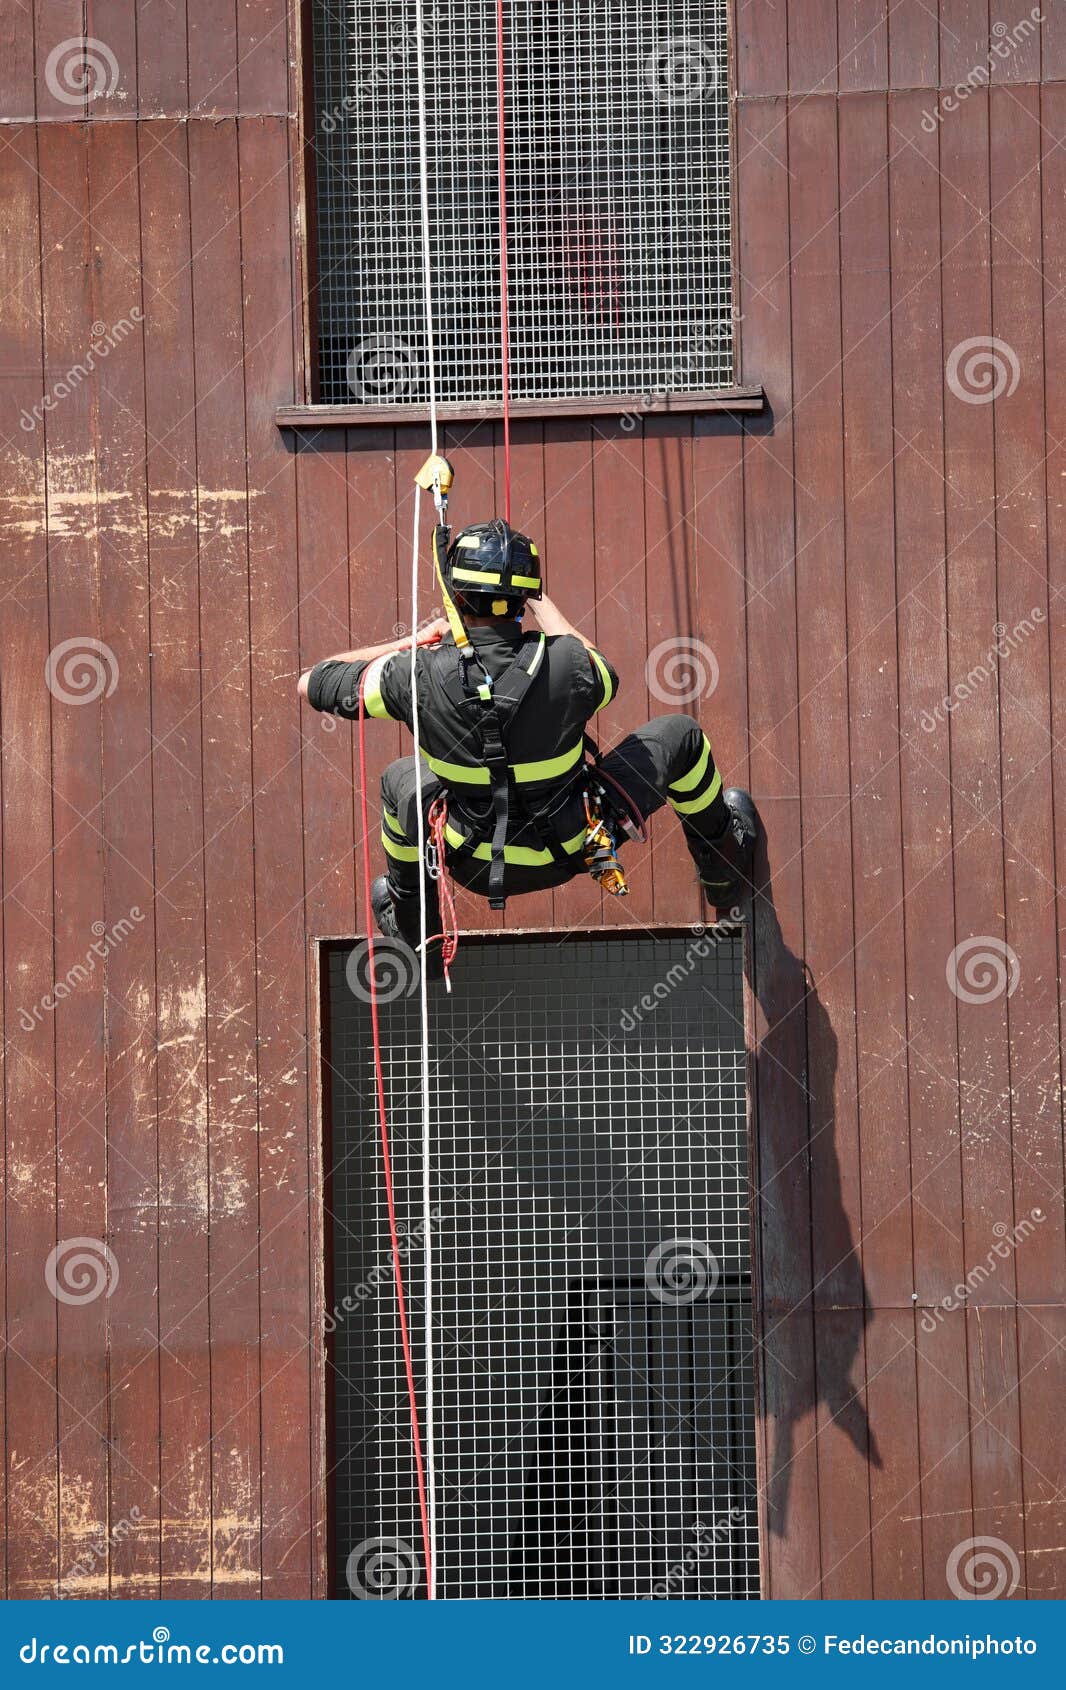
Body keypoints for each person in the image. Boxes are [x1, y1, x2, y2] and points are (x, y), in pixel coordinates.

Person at [298, 515, 757, 970]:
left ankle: (413, 917)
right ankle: (721, 866)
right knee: (683, 739)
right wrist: (539, 600)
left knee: (398, 779)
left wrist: (413, 644)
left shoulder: (413, 674)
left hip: (472, 862)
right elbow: (603, 672)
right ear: (524, 597)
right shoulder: (568, 663)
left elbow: (312, 681)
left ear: (456, 595)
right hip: (576, 848)